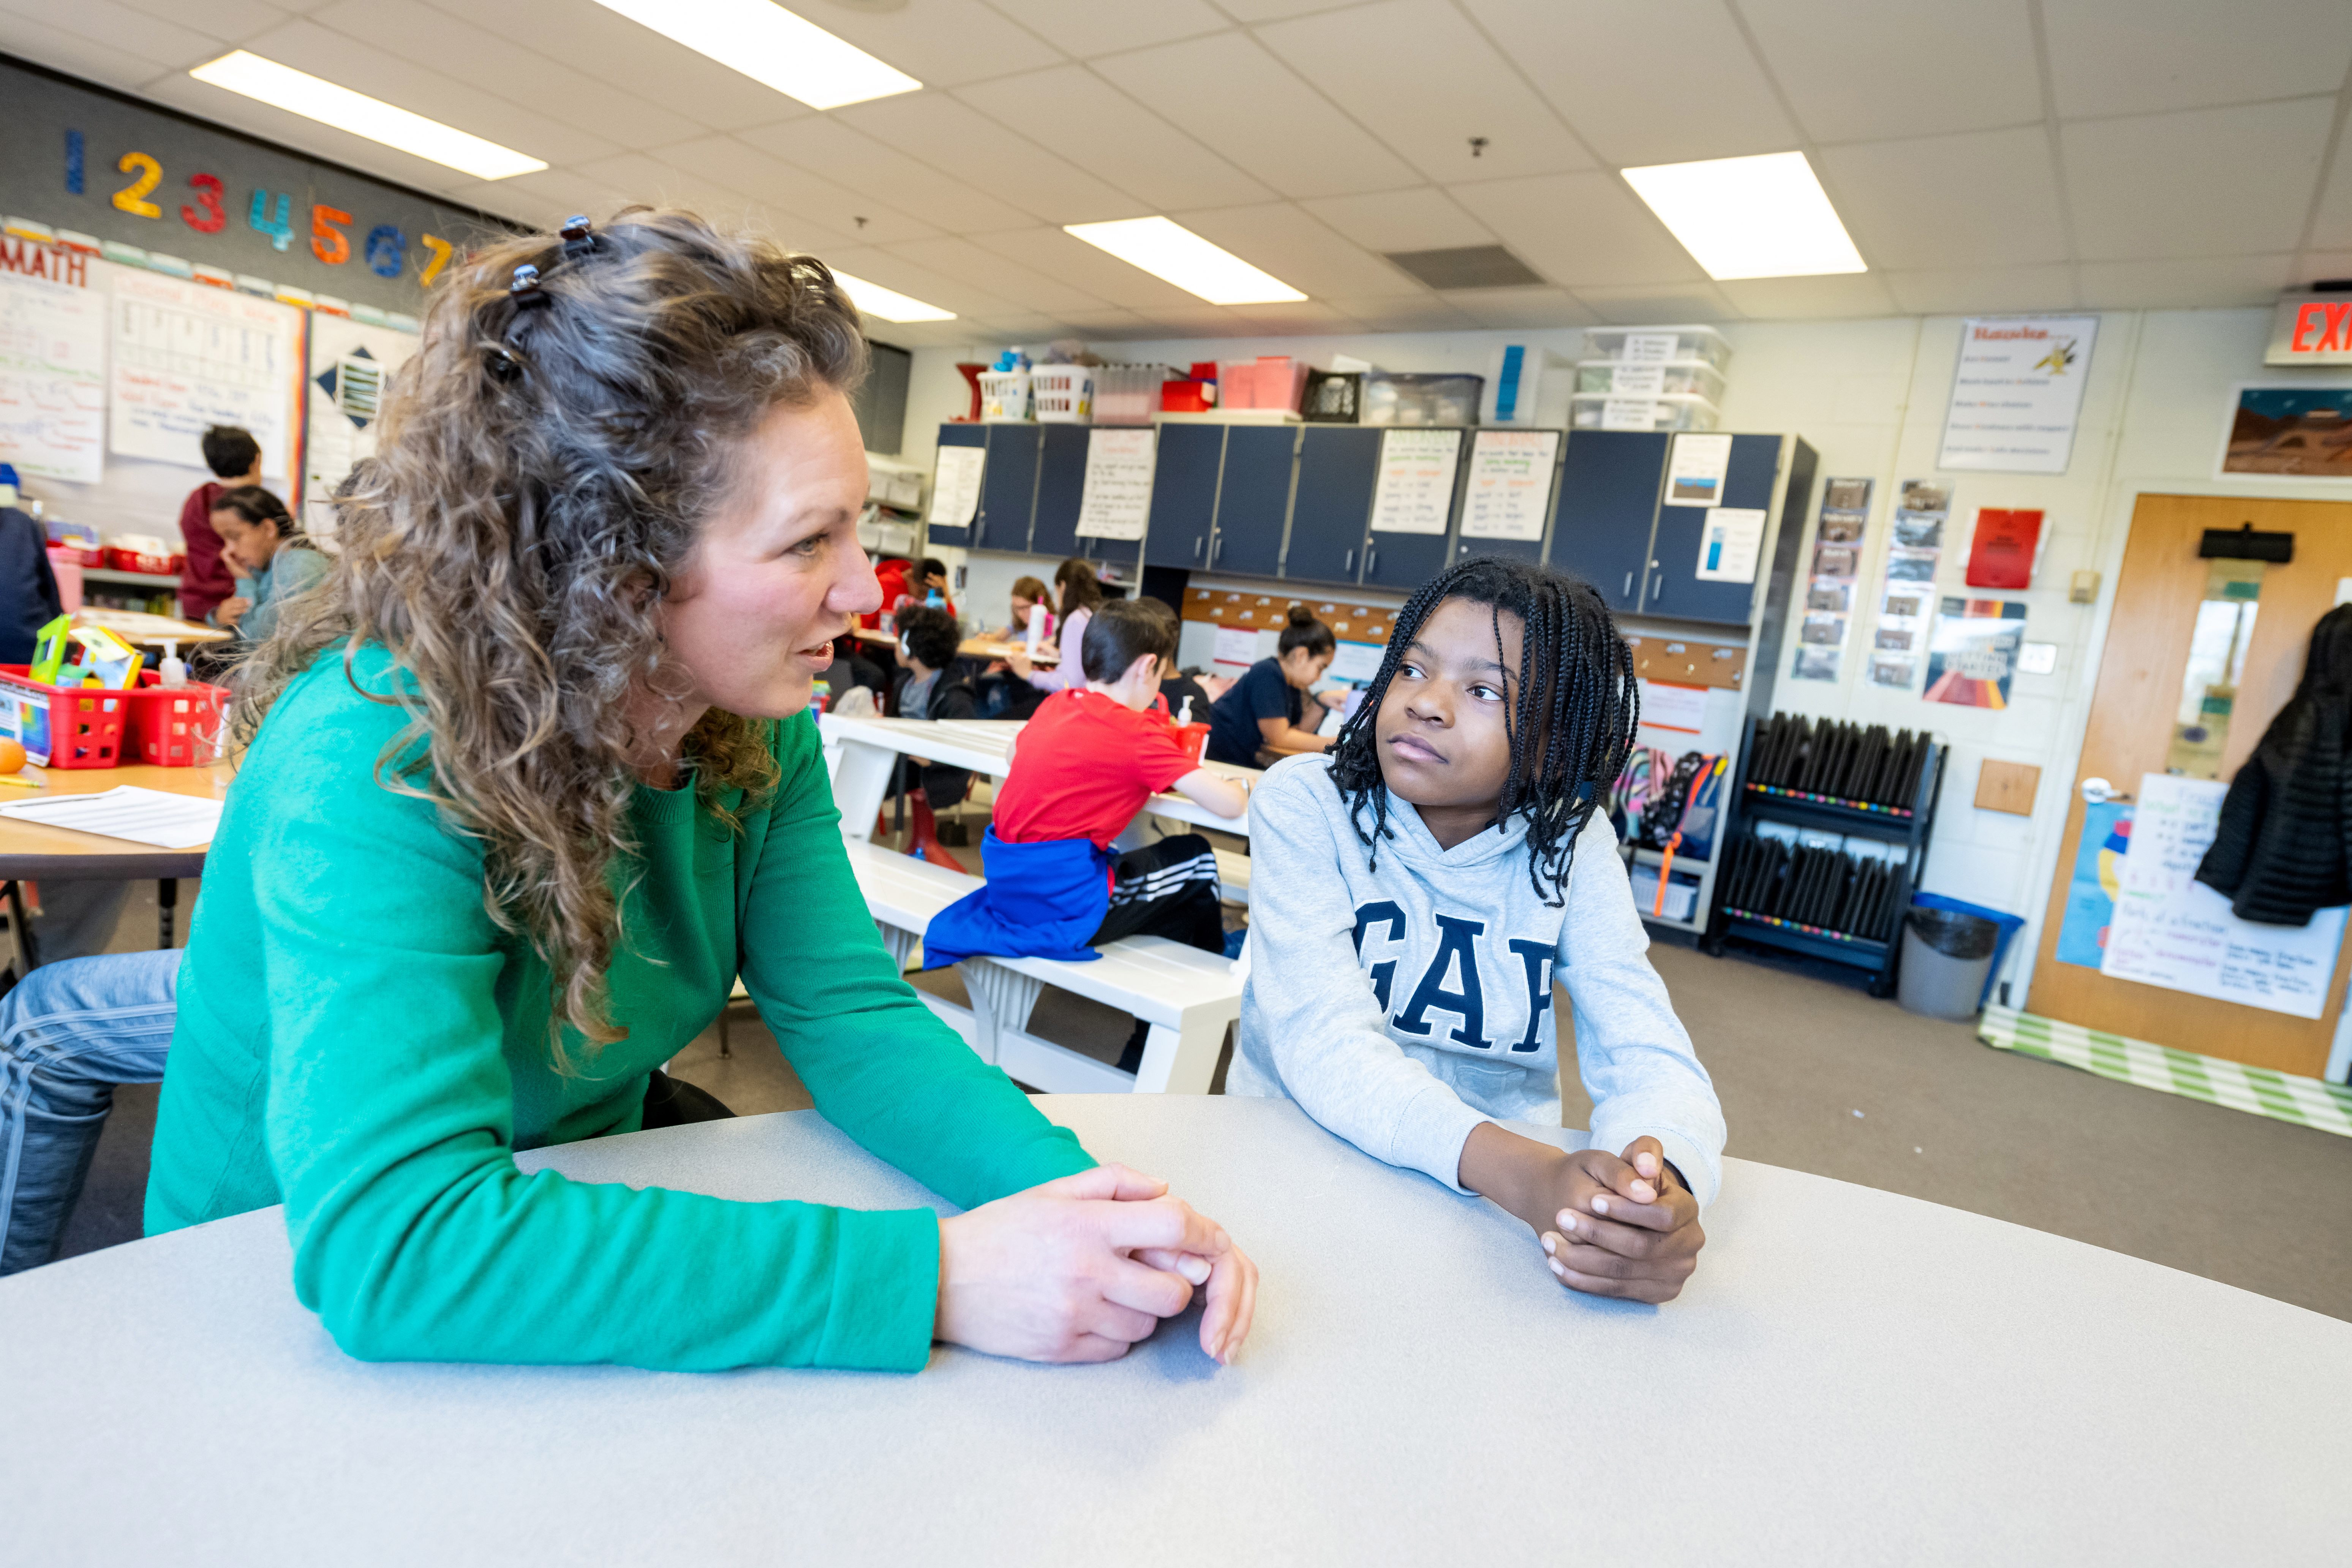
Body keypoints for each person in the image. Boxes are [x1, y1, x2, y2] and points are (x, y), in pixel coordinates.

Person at [133, 209, 1254, 1368]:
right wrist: (938, 1276)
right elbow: (399, 1241)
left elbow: (850, 1014)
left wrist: (1096, 1210)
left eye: (856, 532)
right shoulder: (373, 751)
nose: (863, 591)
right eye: (808, 542)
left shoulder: (748, 725)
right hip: (269, 1303)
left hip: (570, 1242)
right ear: (614, 569)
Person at [1230, 556, 1723, 1306]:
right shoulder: (1308, 804)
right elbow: (1322, 1044)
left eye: (1484, 690)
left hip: (1486, 1225)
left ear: (1553, 741)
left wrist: (1652, 1187)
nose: (1426, 703)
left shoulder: (1571, 843)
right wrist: (1529, 1177)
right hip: (1296, 1174)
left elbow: (1648, 1052)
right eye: (1411, 669)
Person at [925, 597, 1247, 988]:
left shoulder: (1057, 704)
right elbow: (1230, 805)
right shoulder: (1139, 733)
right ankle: (1215, 961)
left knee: (1147, 869)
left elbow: (1014, 755)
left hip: (1009, 888)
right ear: (1147, 666)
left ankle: (1173, 967)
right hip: (1059, 904)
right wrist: (1240, 786)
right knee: (1196, 859)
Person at [1205, 604, 1341, 767]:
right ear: (1301, 655)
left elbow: (1298, 733)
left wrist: (1320, 702)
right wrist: (1340, 743)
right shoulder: (1267, 673)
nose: (1319, 678)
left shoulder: (1292, 686)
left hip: (1237, 759)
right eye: (1321, 668)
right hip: (1217, 757)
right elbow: (1279, 739)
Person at [207, 486, 327, 643]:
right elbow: (236, 623)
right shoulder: (264, 569)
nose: (228, 550)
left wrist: (245, 581)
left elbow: (258, 640)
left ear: (268, 529)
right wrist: (218, 617)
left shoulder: (301, 565)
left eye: (235, 537)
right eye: (224, 540)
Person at [890, 601, 977, 812]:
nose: (896, 646)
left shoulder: (954, 695)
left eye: (898, 640)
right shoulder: (904, 683)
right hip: (904, 759)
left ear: (909, 646)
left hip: (929, 774)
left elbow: (961, 749)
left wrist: (919, 755)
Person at [177, 425, 262, 623]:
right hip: (240, 608)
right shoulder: (257, 505)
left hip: (196, 605)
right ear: (257, 461)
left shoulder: (198, 498)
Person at [1006, 556, 1102, 696]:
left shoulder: (1076, 620)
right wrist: (1057, 654)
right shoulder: (1091, 614)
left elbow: (1071, 682)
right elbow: (1083, 663)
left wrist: (1030, 675)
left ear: (1063, 586)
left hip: (1070, 702)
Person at [996, 574, 1054, 642]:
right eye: (1016, 607)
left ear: (1040, 604)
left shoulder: (1055, 625)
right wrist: (991, 637)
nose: (1020, 614)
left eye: (1025, 607)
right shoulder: (1022, 621)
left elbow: (1050, 646)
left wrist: (1025, 647)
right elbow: (1002, 635)